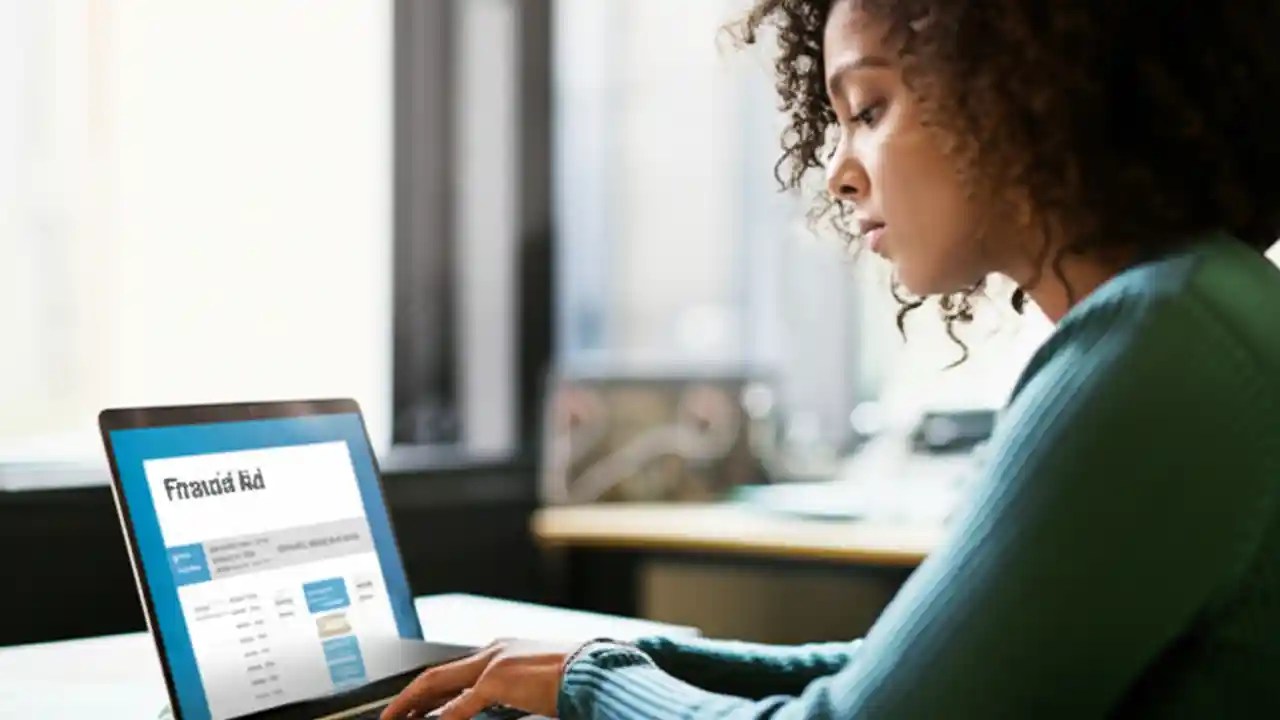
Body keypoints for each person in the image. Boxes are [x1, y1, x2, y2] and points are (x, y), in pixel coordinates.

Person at [383, 0, 1280, 717]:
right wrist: (630, 658)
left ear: (1022, 91)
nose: (840, 172)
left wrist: (592, 686)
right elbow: (916, 671)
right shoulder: (1204, 307)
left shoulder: (1160, 344)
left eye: (871, 109)